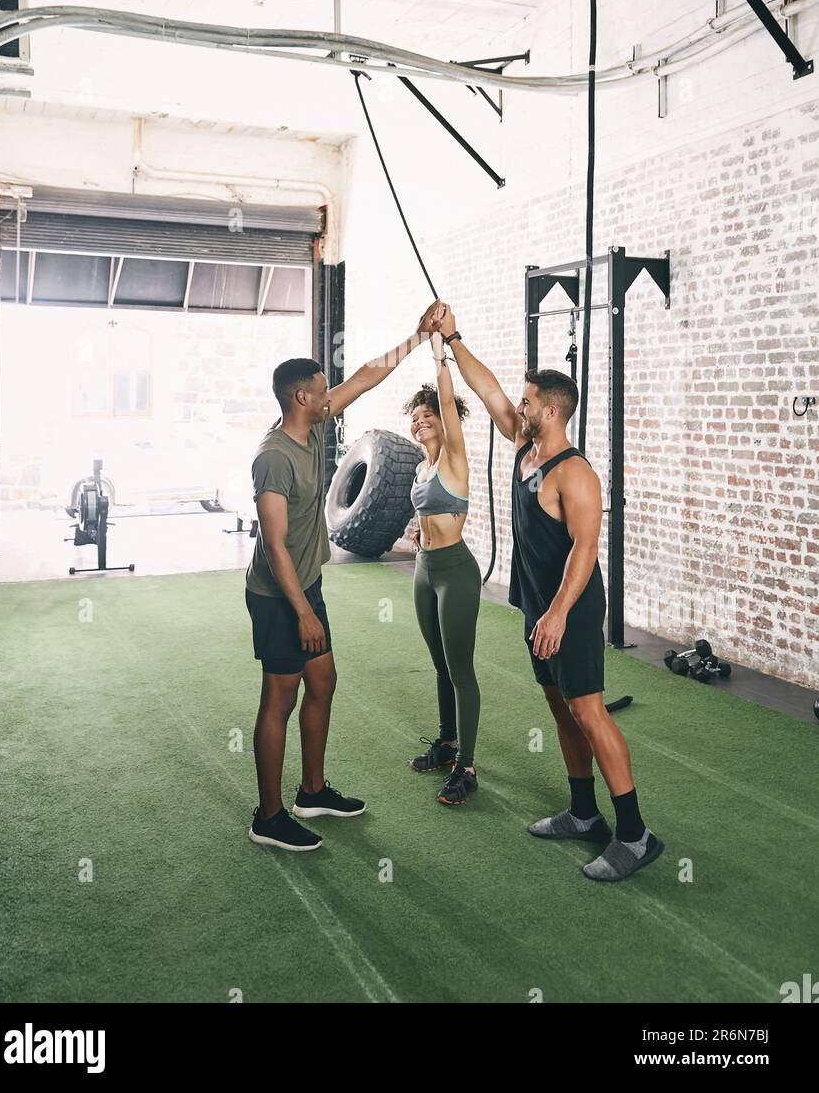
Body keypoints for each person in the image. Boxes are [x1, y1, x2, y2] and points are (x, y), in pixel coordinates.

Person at [434, 303, 663, 882]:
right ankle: (585, 813)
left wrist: (559, 613)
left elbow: (586, 551)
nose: (519, 405)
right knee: (561, 708)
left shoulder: (574, 473)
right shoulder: (523, 444)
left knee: (588, 709)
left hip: (573, 609)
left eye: (529, 400)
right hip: (539, 606)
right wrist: (454, 336)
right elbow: (486, 391)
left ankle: (635, 835)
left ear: (552, 410)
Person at [246, 302, 443, 852]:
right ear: (301, 397)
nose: (330, 390)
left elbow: (366, 375)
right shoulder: (273, 458)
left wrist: (416, 333)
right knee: (279, 698)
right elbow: (273, 543)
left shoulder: (314, 424)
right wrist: (302, 610)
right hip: (277, 594)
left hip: (307, 585)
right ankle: (268, 815)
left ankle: (312, 791)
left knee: (323, 682)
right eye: (321, 385)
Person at [403, 327, 481, 805]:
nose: (420, 423)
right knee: (438, 664)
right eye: (415, 419)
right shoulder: (421, 468)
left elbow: (449, 405)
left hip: (455, 571)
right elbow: (427, 509)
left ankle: (466, 766)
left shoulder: (454, 456)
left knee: (460, 670)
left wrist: (440, 353)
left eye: (427, 416)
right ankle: (447, 741)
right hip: (424, 569)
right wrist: (418, 529)